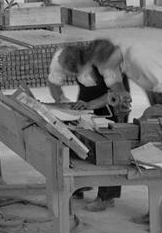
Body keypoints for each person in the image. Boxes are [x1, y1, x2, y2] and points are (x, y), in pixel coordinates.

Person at [82, 38, 162, 229]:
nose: (102, 70)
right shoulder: (116, 60)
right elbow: (116, 87)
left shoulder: (137, 56)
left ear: (109, 57)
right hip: (160, 94)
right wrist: (93, 104)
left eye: (101, 65)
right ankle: (158, 212)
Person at [46, 39, 133, 209]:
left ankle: (107, 197)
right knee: (78, 135)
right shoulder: (60, 56)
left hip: (114, 98)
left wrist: (91, 105)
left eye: (79, 71)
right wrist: (62, 101)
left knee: (111, 147)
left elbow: (117, 92)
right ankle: (81, 184)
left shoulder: (103, 61)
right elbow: (53, 82)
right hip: (87, 95)